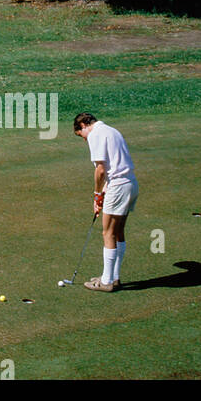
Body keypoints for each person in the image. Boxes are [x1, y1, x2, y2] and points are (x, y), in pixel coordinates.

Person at [72, 113, 139, 291]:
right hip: (130, 184)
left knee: (107, 233)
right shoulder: (112, 131)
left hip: (118, 187)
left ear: (84, 125)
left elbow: (101, 170)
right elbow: (113, 167)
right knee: (117, 232)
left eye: (81, 135)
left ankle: (107, 282)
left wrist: (96, 194)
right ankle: (113, 277)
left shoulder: (95, 134)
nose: (85, 140)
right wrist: (101, 195)